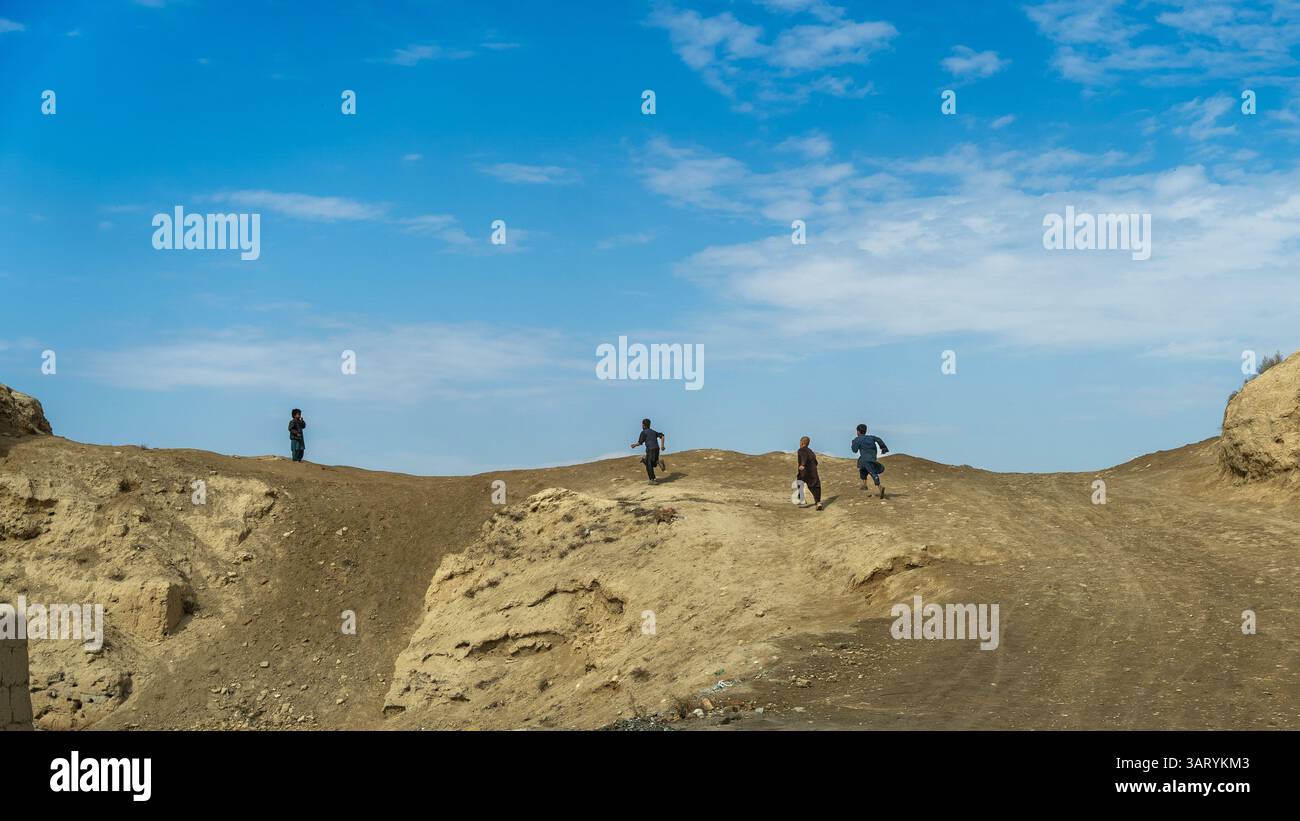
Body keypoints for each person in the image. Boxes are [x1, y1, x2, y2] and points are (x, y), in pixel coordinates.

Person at [851, 423, 889, 498]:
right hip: (871, 458)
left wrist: (853, 443)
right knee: (862, 468)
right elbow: (879, 440)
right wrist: (883, 448)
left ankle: (880, 487)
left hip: (866, 460)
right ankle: (864, 485)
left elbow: (854, 450)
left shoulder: (857, 439)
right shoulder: (871, 437)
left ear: (858, 432)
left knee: (872, 472)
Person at [630, 418, 666, 484]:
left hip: (650, 449)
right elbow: (662, 436)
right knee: (652, 464)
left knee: (649, 464)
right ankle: (658, 461)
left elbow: (640, 442)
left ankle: (652, 479)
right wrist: (662, 446)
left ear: (643, 425)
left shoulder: (643, 432)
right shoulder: (653, 431)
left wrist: (634, 445)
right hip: (656, 448)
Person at [796, 435, 822, 510]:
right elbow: (816, 462)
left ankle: (802, 500)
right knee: (816, 487)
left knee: (799, 482)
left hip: (805, 472)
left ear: (802, 443)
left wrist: (803, 465)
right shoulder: (811, 452)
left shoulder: (801, 450)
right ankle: (818, 502)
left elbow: (804, 456)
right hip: (813, 472)